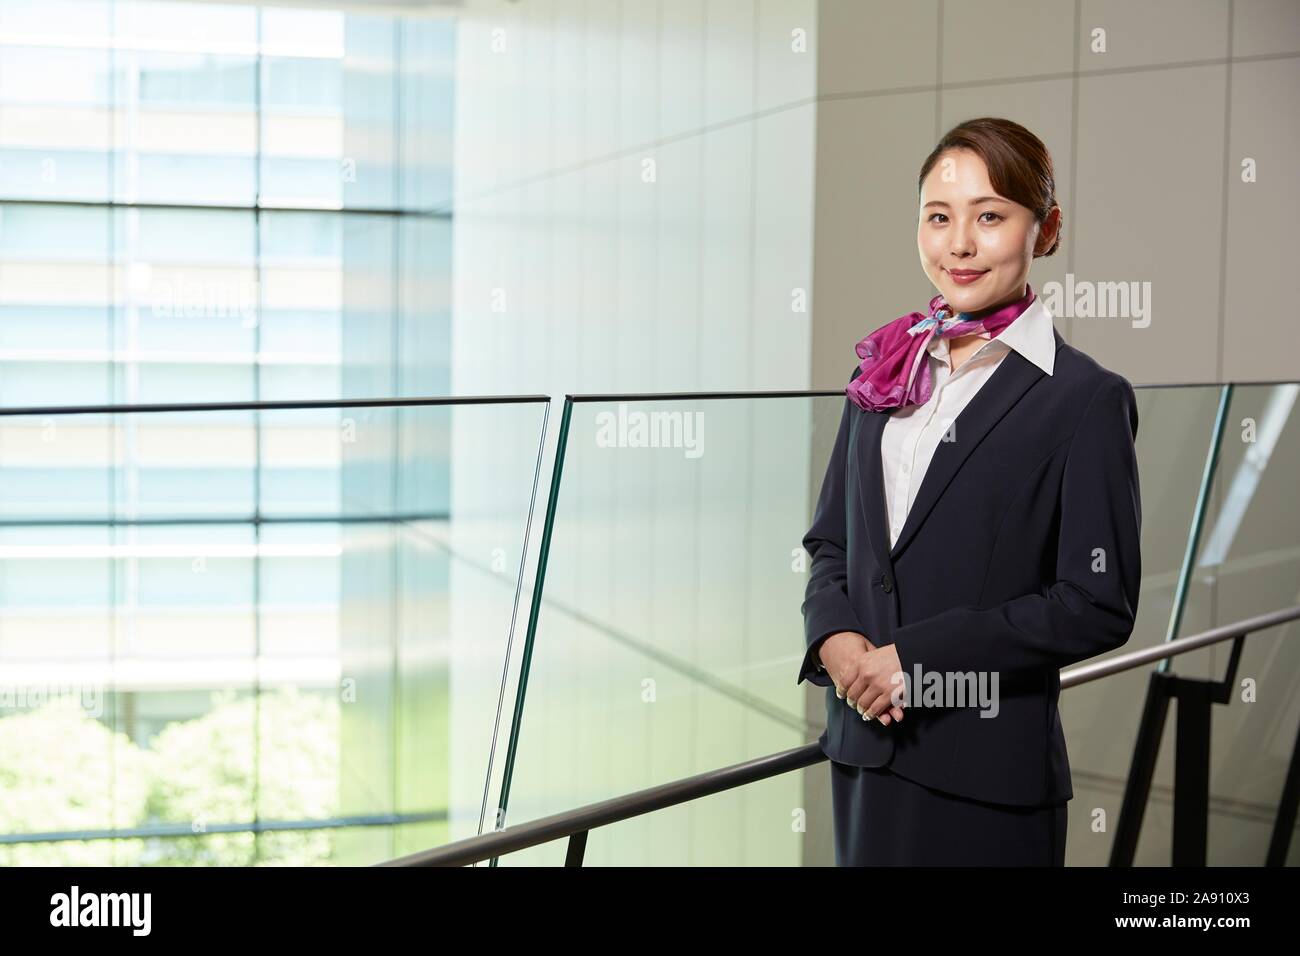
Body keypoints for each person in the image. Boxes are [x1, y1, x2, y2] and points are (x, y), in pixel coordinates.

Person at [797, 117, 1142, 866]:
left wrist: (910, 662)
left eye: (990, 216)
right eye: (938, 217)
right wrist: (836, 640)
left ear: (1045, 230)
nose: (959, 243)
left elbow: (1095, 602)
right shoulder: (884, 366)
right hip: (864, 754)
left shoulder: (1084, 398)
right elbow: (831, 541)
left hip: (986, 782)